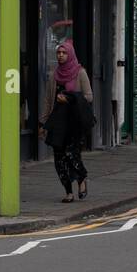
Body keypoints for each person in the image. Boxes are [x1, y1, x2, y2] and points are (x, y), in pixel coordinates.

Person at [40, 40, 93, 202]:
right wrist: (43, 124)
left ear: (70, 55)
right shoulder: (53, 76)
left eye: (64, 53)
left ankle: (82, 178)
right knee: (59, 159)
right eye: (58, 53)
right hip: (57, 122)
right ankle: (68, 192)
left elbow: (89, 97)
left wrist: (69, 98)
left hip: (74, 122)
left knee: (72, 154)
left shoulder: (80, 72)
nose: (61, 56)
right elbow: (48, 101)